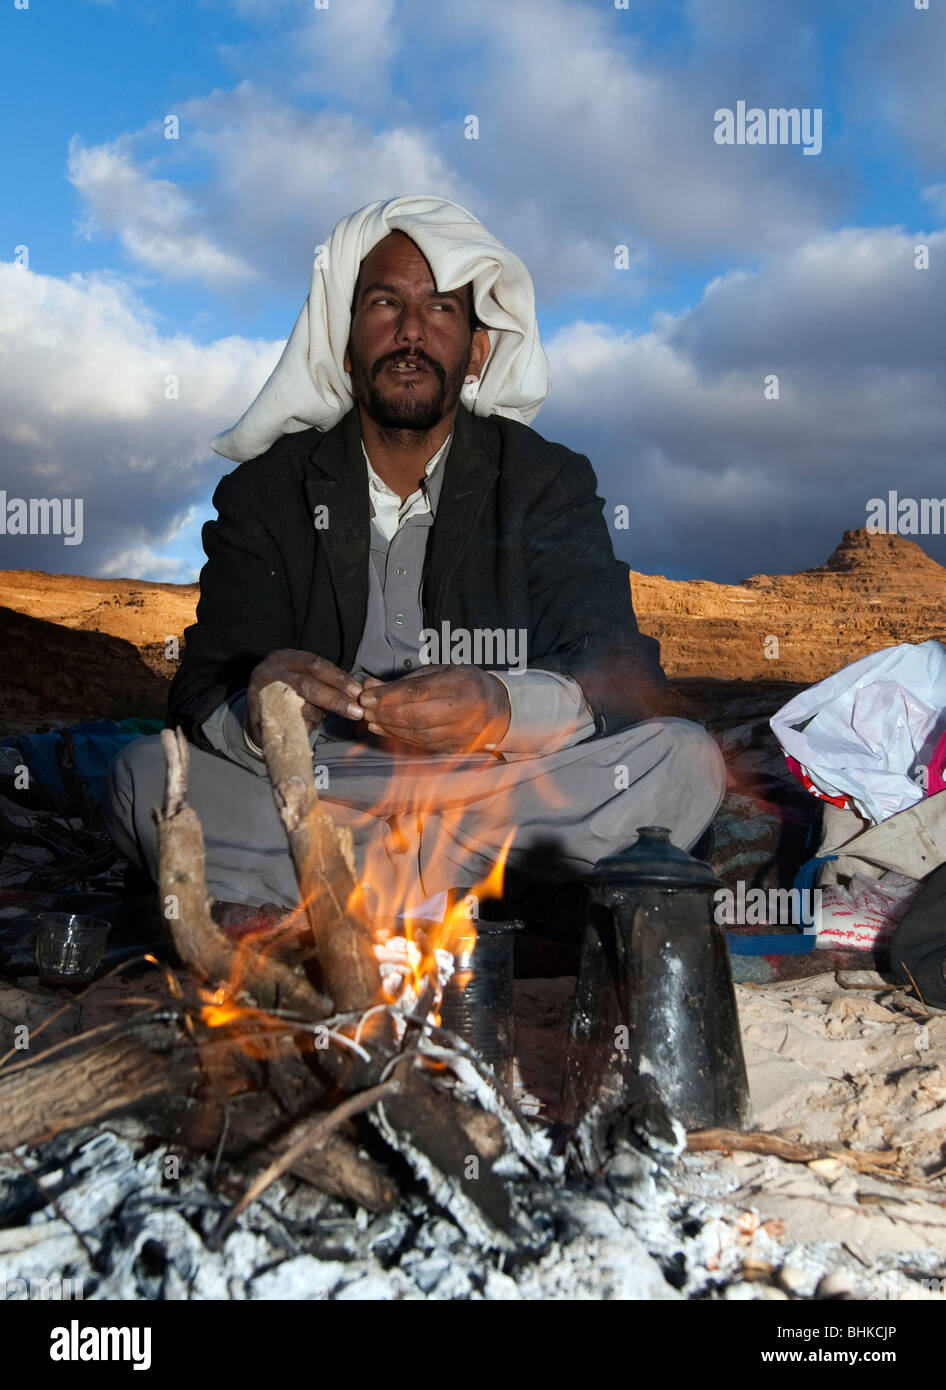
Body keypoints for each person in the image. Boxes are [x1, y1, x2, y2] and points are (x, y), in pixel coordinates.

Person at [101, 195, 725, 922]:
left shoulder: (544, 480)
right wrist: (264, 709)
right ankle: (458, 901)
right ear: (345, 344)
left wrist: (500, 708)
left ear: (479, 350)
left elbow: (620, 669)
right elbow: (201, 688)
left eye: (440, 310)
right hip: (325, 792)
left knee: (682, 760)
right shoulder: (267, 490)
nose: (409, 332)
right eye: (384, 304)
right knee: (143, 779)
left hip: (496, 791)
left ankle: (356, 897)